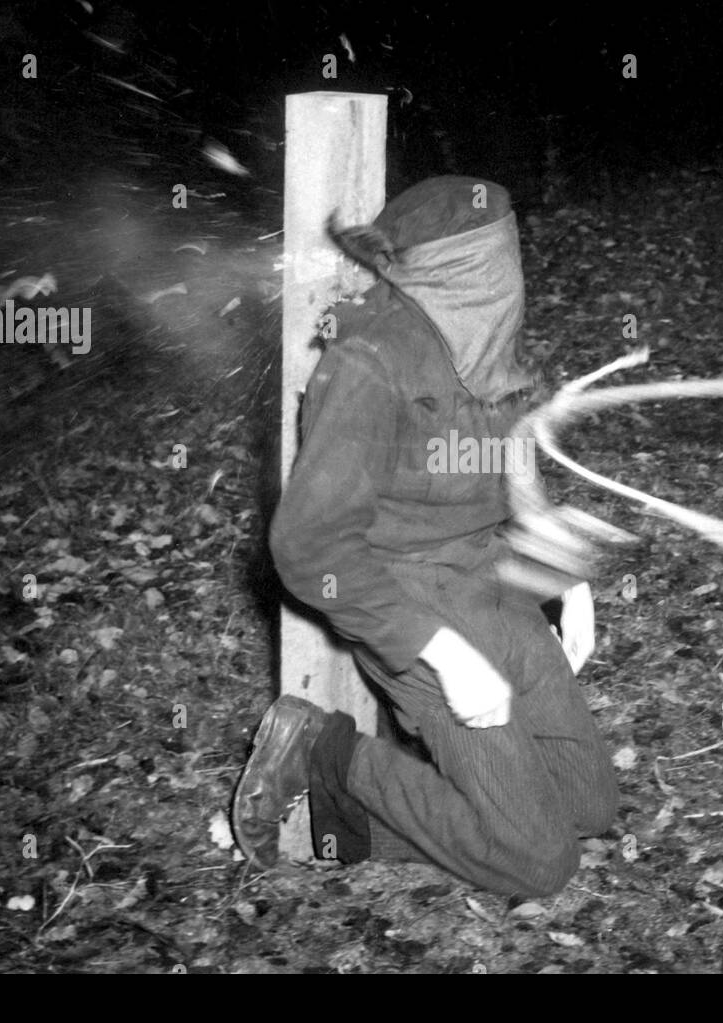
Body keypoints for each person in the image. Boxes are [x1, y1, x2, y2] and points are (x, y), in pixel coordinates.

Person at [232, 176, 619, 899]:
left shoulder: (481, 333)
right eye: (489, 263)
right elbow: (309, 546)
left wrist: (569, 576)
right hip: (414, 604)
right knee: (541, 862)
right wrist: (445, 657)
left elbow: (514, 460)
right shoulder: (367, 363)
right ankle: (325, 750)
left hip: (496, 584)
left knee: (589, 807)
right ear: (446, 271)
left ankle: (345, 826)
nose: (511, 281)